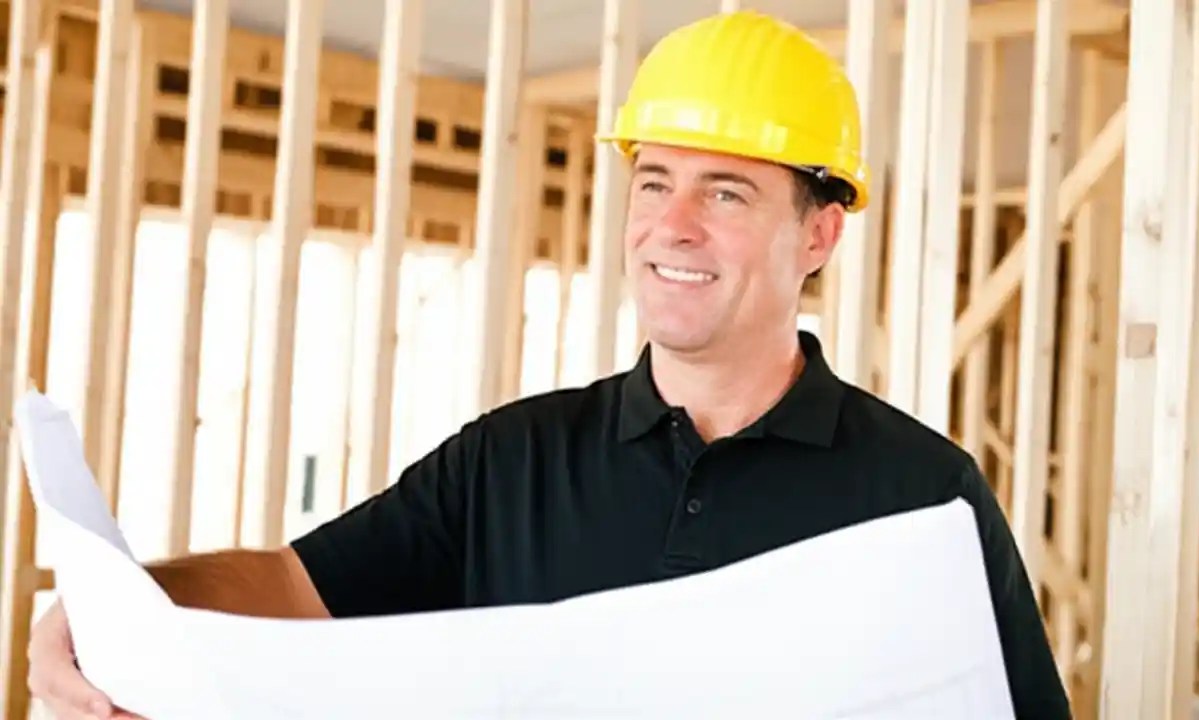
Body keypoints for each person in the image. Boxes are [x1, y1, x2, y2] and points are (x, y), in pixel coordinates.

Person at [26, 10, 1070, 719]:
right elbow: (296, 586)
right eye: (653, 180)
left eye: (725, 193)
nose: (671, 226)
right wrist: (113, 607)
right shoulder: (512, 460)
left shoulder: (919, 498)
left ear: (818, 234)